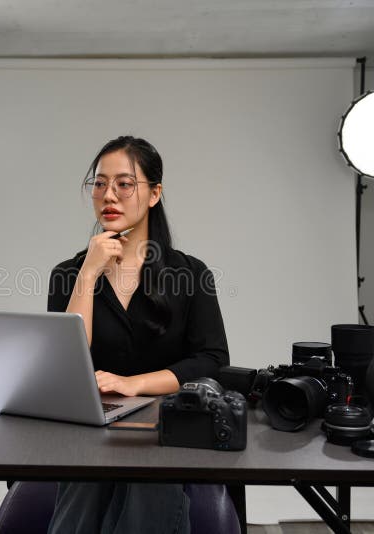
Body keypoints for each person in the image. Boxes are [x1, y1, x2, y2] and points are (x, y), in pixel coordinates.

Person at [46, 136, 230, 534]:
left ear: (154, 193)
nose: (108, 194)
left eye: (124, 183)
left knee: (149, 480)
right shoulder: (68, 274)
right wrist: (89, 273)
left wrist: (134, 384)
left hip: (166, 422)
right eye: (99, 183)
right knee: (85, 483)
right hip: (92, 426)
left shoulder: (191, 273)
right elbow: (65, 363)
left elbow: (212, 359)